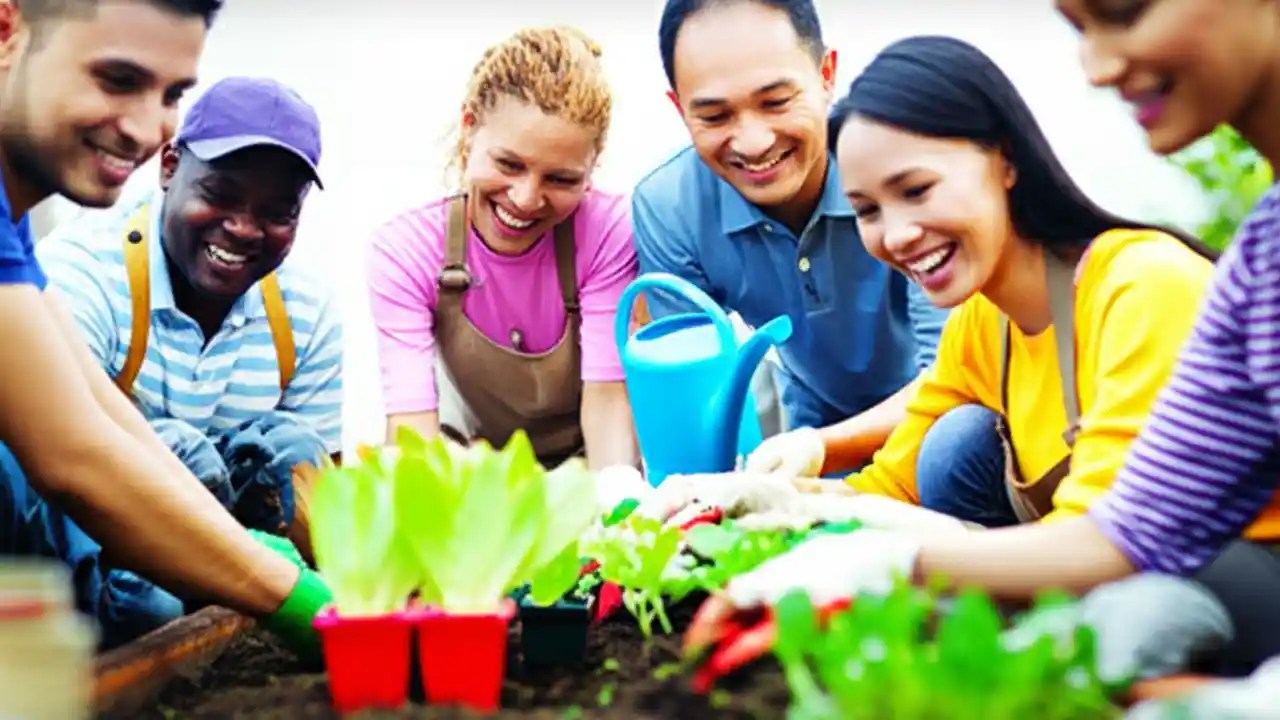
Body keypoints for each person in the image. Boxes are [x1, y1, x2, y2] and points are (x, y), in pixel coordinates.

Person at [686, 1, 1280, 678]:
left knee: (1127, 615)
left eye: (917, 189)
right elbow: (892, 487)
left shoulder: (1141, 283)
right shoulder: (984, 321)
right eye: (869, 210)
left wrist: (900, 561)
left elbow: (1124, 538)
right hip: (1122, 555)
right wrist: (771, 500)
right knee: (957, 443)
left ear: (1005, 162)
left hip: (1235, 582)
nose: (898, 234)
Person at [0, 0, 327, 654]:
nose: (146, 128)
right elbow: (74, 461)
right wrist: (305, 608)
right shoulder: (83, 260)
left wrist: (253, 551)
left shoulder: (13, 234)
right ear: (7, 32)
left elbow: (97, 411)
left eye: (172, 93)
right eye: (118, 80)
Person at [633, 0, 952, 468]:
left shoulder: (901, 164)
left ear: (827, 75)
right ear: (680, 109)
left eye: (776, 102)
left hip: (940, 426)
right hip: (814, 427)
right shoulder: (669, 208)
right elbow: (695, 394)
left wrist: (820, 449)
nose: (754, 142)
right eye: (715, 116)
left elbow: (955, 378)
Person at [37, 77, 341, 558]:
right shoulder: (81, 274)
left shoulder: (308, 309)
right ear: (170, 167)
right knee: (177, 459)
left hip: (239, 547)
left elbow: (326, 491)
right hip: (98, 528)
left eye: (277, 212)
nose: (243, 229)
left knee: (296, 452)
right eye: (219, 193)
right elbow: (60, 464)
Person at [367, 26, 640, 471]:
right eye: (509, 164)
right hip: (474, 465)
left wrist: (615, 506)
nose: (526, 198)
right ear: (469, 128)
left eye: (561, 179)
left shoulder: (608, 231)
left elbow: (609, 405)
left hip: (585, 464)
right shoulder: (405, 250)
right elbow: (411, 433)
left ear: (594, 164)